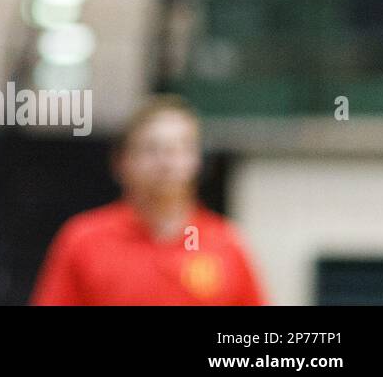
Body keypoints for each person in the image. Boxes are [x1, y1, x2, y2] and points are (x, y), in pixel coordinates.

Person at [30, 95, 266, 306]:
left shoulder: (225, 243)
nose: (166, 162)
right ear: (122, 161)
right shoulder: (83, 240)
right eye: (152, 149)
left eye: (179, 149)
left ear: (198, 161)